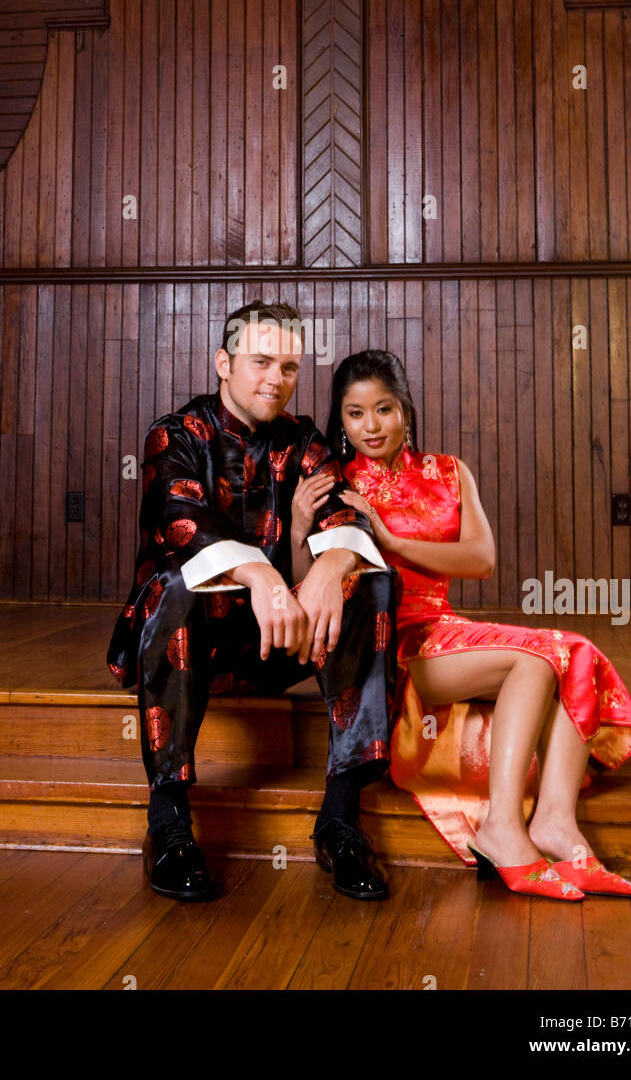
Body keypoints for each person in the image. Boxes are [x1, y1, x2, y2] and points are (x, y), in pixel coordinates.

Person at [321, 349, 631, 901]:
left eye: (384, 409)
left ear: (405, 411)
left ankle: (557, 825)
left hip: (444, 625)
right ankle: (501, 830)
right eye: (355, 414)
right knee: (540, 655)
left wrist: (396, 542)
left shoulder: (448, 471)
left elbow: (481, 559)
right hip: (391, 644)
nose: (371, 426)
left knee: (579, 651)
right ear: (341, 420)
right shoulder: (338, 482)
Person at [106, 303, 399, 903]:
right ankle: (167, 822)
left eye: (289, 366)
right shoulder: (176, 436)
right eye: (261, 361)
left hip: (283, 641)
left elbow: (343, 514)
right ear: (223, 363)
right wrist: (265, 578)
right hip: (194, 641)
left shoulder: (303, 440)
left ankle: (340, 819)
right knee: (177, 582)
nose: (276, 379)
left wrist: (329, 569)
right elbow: (179, 520)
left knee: (370, 580)